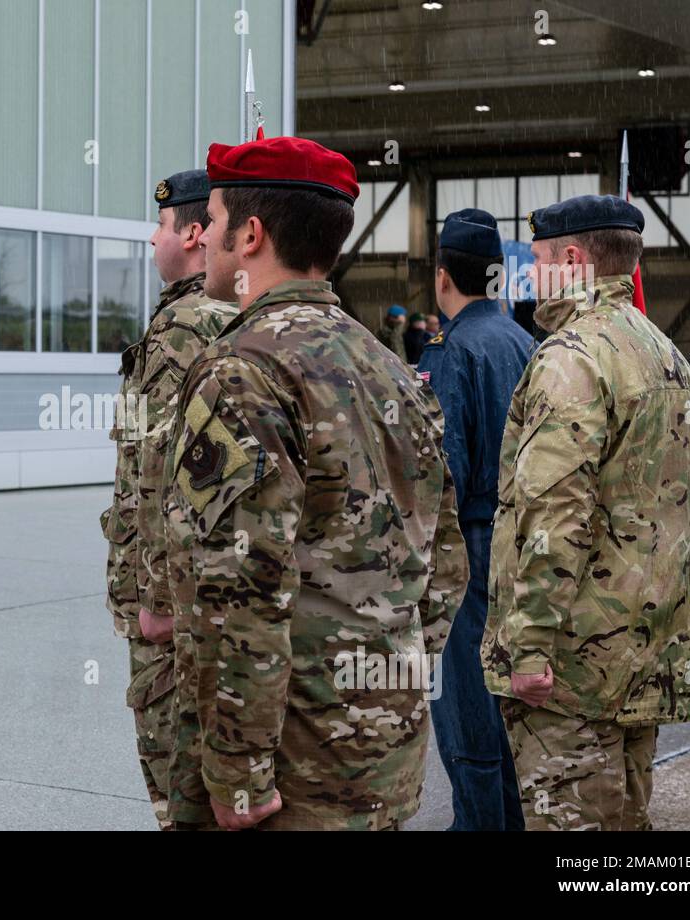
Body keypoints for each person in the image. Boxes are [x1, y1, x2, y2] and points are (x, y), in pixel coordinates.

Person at [164, 135, 468, 830]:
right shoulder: (393, 367)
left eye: (210, 220)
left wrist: (237, 774)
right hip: (381, 755)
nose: (202, 237)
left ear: (250, 234)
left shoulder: (241, 371)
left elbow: (239, 591)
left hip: (289, 775)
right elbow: (445, 561)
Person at [483, 194, 690, 831]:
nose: (530, 274)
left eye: (539, 260)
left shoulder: (570, 360)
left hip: (573, 664)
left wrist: (526, 646)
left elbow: (554, 516)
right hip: (643, 652)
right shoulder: (667, 356)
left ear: (572, 259)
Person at [101, 169, 238, 829]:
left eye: (160, 225)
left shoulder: (184, 327)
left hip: (175, 610)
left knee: (179, 785)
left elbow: (161, 472)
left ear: (191, 233)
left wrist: (154, 601)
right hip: (226, 597)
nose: (152, 239)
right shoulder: (242, 312)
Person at [418, 209, 534, 831]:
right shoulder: (526, 343)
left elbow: (440, 477)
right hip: (524, 546)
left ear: (443, 277)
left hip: (469, 548)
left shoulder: (451, 351)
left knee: (468, 716)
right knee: (513, 713)